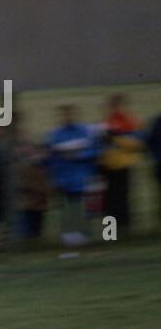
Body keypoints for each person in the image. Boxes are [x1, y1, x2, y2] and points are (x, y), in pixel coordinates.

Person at [45, 105, 97, 246]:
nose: (67, 117)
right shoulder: (55, 134)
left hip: (82, 177)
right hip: (63, 178)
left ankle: (84, 234)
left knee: (82, 206)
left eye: (70, 114)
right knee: (65, 208)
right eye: (64, 115)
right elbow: (51, 156)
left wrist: (78, 155)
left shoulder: (84, 131)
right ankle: (68, 235)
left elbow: (94, 151)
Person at [98, 94, 144, 235]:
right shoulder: (105, 123)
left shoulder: (130, 122)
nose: (114, 108)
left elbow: (137, 144)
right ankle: (110, 234)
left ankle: (124, 231)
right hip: (107, 166)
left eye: (117, 104)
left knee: (122, 199)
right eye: (112, 105)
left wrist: (115, 139)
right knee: (108, 201)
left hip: (123, 166)